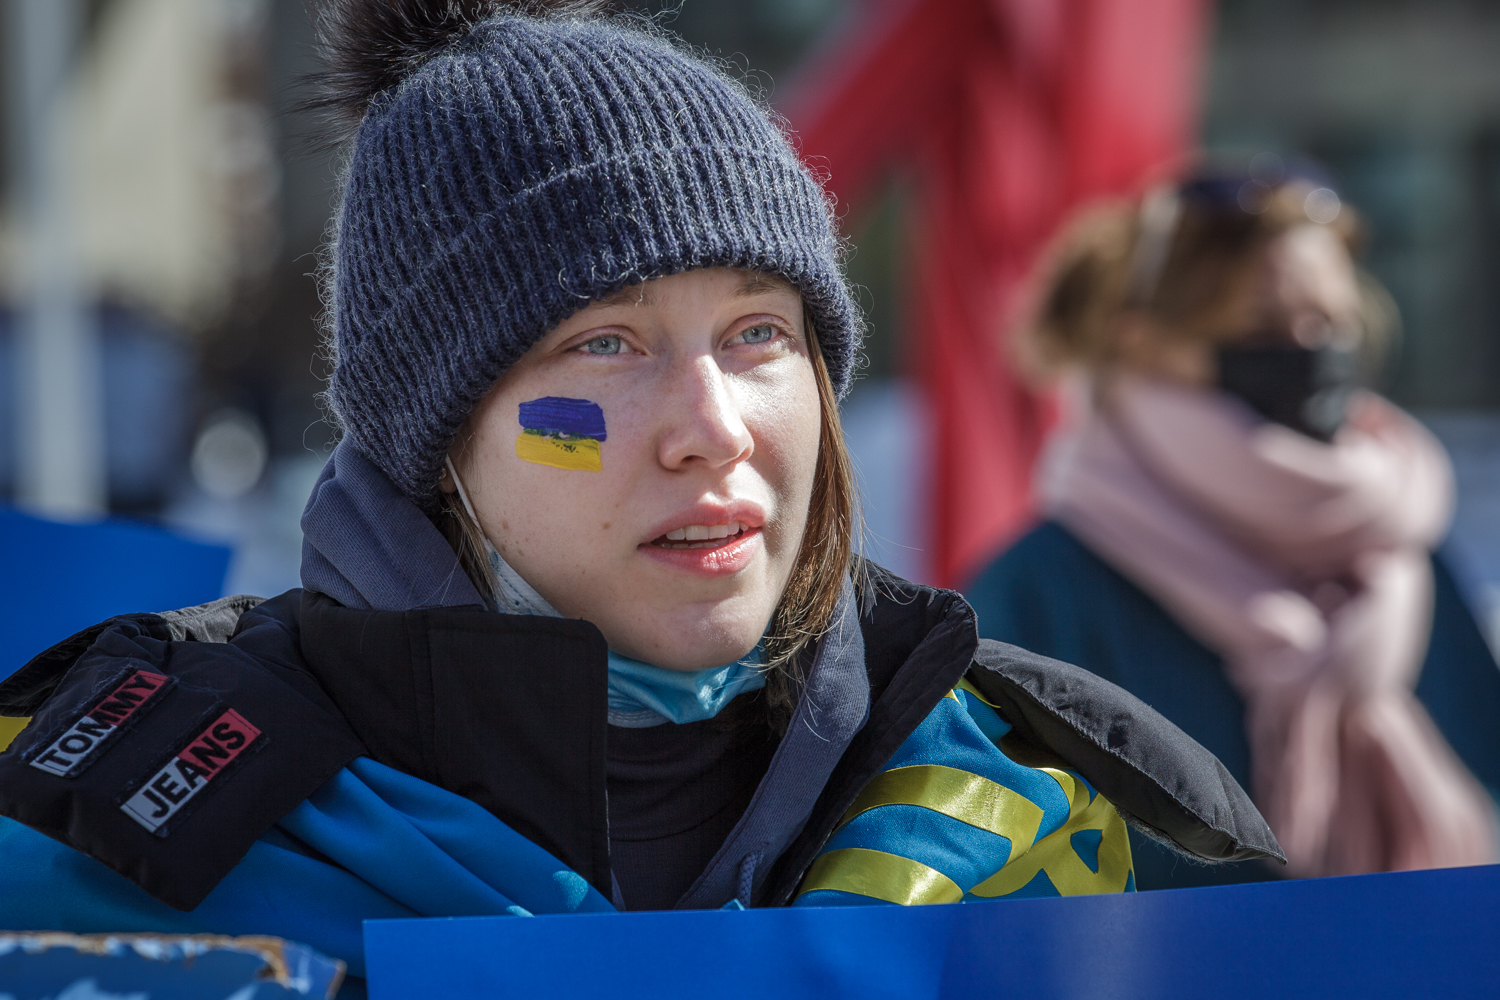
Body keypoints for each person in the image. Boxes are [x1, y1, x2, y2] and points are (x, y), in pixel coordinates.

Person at [0, 3, 1276, 989]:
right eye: (603, 345)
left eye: (762, 334)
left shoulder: (1055, 813)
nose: (712, 428)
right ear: (436, 434)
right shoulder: (112, 830)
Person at [965, 162, 1500, 891]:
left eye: (1332, 322)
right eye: (1263, 326)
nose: (1310, 348)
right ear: (1140, 342)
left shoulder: (1409, 556)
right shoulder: (1042, 596)